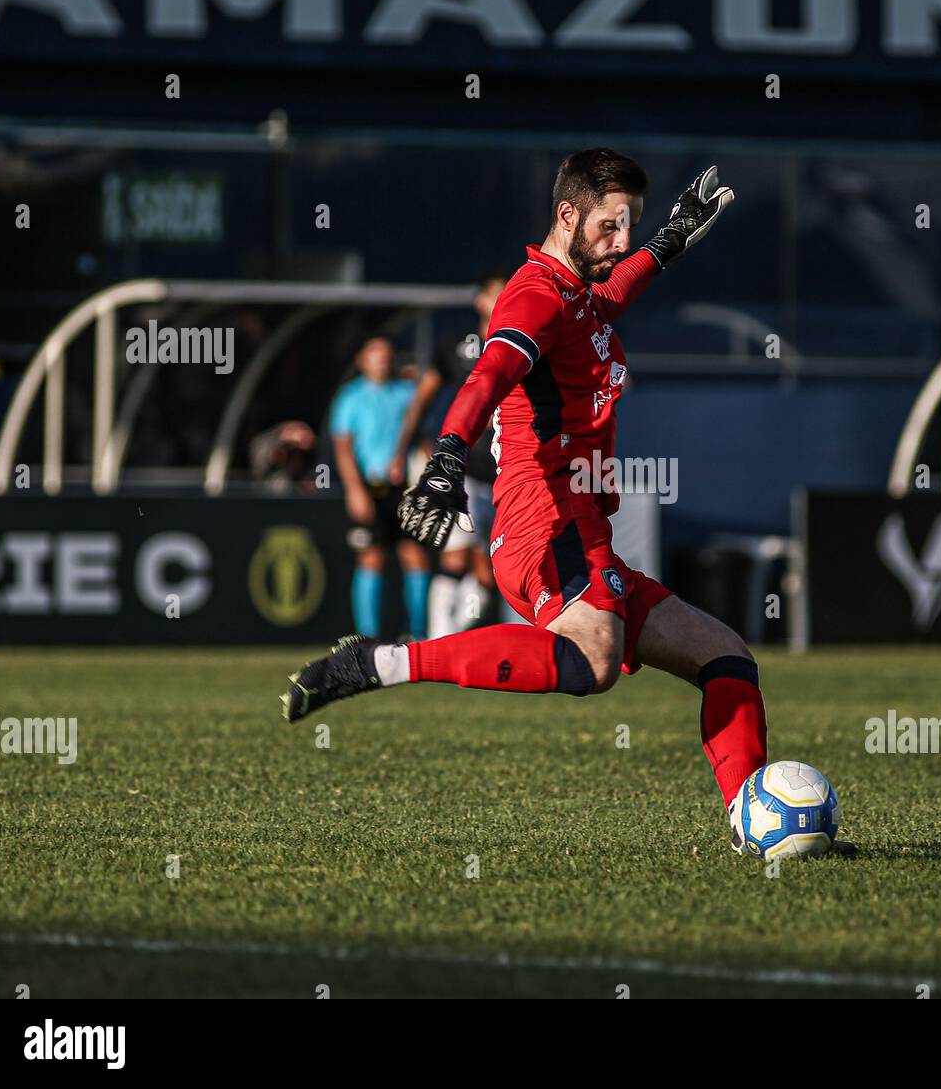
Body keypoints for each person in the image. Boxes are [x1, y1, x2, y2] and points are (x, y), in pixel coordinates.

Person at [284, 149, 779, 854]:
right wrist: (447, 459)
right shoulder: (534, 294)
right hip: (540, 518)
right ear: (566, 216)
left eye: (629, 226)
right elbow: (487, 374)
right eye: (610, 227)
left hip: (583, 525)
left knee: (726, 657)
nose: (621, 242)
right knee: (595, 662)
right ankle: (383, 662)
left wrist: (668, 241)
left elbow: (615, 293)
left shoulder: (582, 290)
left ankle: (750, 822)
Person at [388, 270, 509, 636]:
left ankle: (454, 633)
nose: (503, 301)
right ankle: (441, 640)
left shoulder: (527, 345)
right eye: (497, 295)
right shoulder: (460, 346)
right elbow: (423, 398)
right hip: (466, 472)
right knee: (455, 558)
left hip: (510, 474)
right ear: (481, 301)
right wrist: (404, 450)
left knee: (492, 574)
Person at [328, 335, 429, 640]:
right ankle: (366, 637)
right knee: (371, 557)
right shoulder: (351, 397)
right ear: (362, 359)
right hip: (369, 486)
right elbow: (343, 448)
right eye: (375, 353)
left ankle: (417, 634)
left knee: (415, 556)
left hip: (405, 488)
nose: (382, 359)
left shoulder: (407, 392)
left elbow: (421, 437)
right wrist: (354, 490)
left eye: (386, 353)